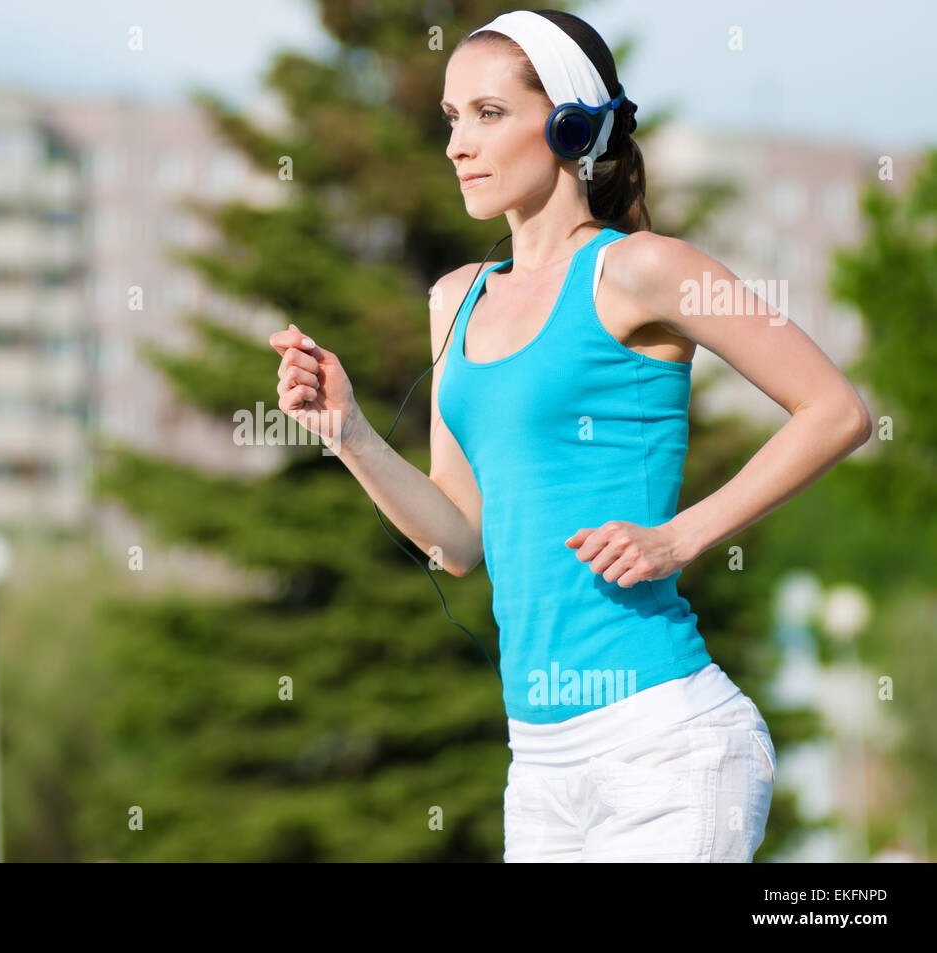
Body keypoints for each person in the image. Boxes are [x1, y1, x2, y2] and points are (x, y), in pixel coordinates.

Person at [268, 9, 871, 861]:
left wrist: (679, 536)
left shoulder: (646, 270)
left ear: (569, 125)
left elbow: (836, 410)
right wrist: (350, 432)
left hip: (666, 746)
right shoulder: (456, 299)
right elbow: (459, 539)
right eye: (451, 120)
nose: (456, 146)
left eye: (487, 114)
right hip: (541, 768)